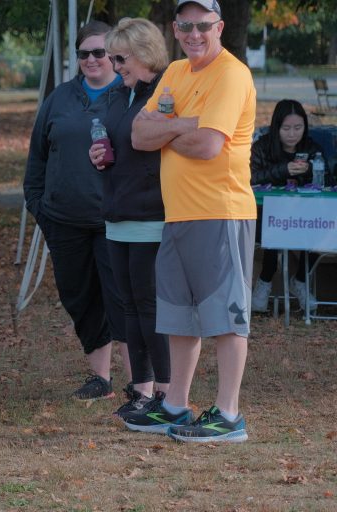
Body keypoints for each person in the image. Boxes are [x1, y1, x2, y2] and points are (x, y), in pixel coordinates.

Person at [125, 0, 256, 443]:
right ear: (175, 28)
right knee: (180, 317)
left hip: (221, 210)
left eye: (203, 25)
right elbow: (138, 135)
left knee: (226, 317)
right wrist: (186, 124)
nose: (194, 33)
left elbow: (207, 147)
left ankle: (228, 415)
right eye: (185, 25)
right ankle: (176, 406)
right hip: (178, 214)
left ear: (219, 26)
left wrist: (170, 128)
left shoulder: (232, 74)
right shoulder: (177, 72)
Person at [24, 20, 131, 402]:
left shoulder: (129, 96)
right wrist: (40, 208)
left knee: (122, 299)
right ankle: (100, 378)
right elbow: (37, 157)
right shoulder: (60, 98)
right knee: (79, 298)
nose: (91, 59)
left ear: (115, 54)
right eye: (83, 53)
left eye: (99, 52)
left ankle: (140, 383)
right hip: (64, 221)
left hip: (116, 221)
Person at [89, 18, 170, 418]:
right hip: (117, 214)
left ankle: (166, 393)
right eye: (111, 56)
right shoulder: (120, 96)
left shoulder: (165, 93)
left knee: (150, 306)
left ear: (144, 54)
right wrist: (99, 157)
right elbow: (112, 145)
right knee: (128, 307)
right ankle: (141, 390)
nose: (113, 64)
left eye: (120, 57)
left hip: (152, 214)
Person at [250, 99, 325, 314]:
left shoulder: (312, 149)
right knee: (276, 224)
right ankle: (265, 280)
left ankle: (300, 280)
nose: (292, 134)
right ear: (276, 127)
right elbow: (250, 178)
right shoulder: (263, 147)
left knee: (323, 228)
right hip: (264, 216)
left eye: (298, 128)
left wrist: (310, 170)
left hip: (305, 217)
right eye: (286, 128)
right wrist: (284, 170)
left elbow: (327, 180)